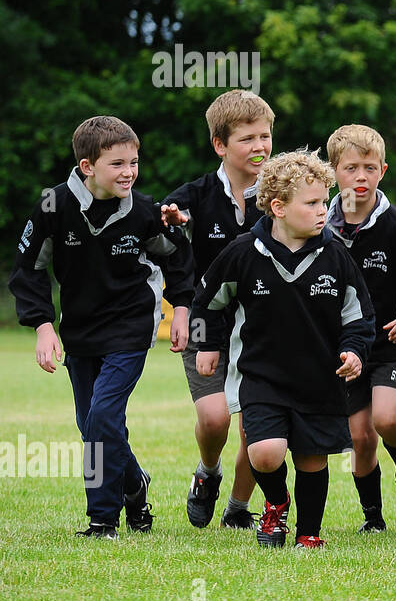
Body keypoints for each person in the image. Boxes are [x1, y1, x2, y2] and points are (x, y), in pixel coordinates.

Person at [9, 115, 193, 538]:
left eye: (134, 162)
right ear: (87, 166)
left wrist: (181, 308)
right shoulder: (53, 205)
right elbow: (28, 269)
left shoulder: (146, 210)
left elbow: (176, 257)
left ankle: (103, 520)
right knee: (91, 425)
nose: (129, 172)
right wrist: (42, 325)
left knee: (104, 415)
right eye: (118, 164)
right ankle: (134, 484)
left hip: (131, 325)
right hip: (79, 330)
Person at [191, 150, 375, 549]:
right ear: (278, 207)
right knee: (265, 454)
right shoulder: (243, 253)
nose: (323, 210)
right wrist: (206, 344)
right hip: (261, 377)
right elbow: (207, 301)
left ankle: (309, 533)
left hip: (320, 380)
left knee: (311, 459)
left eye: (325, 201)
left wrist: (355, 351)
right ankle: (276, 503)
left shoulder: (337, 256)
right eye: (311, 203)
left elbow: (359, 317)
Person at [160, 89, 274, 529]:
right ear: (220, 145)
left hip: (264, 330)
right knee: (214, 421)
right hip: (209, 325)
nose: (259, 147)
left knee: (253, 427)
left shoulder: (282, 194)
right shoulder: (190, 199)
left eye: (265, 136)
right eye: (247, 139)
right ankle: (207, 473)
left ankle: (238, 509)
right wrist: (182, 307)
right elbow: (167, 253)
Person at [325, 125, 396, 533]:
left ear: (383, 171)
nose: (360, 177)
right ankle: (374, 519)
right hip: (347, 350)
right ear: (334, 171)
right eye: (351, 168)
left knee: (387, 419)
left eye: (369, 168)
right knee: (360, 437)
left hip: (392, 344)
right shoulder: (320, 227)